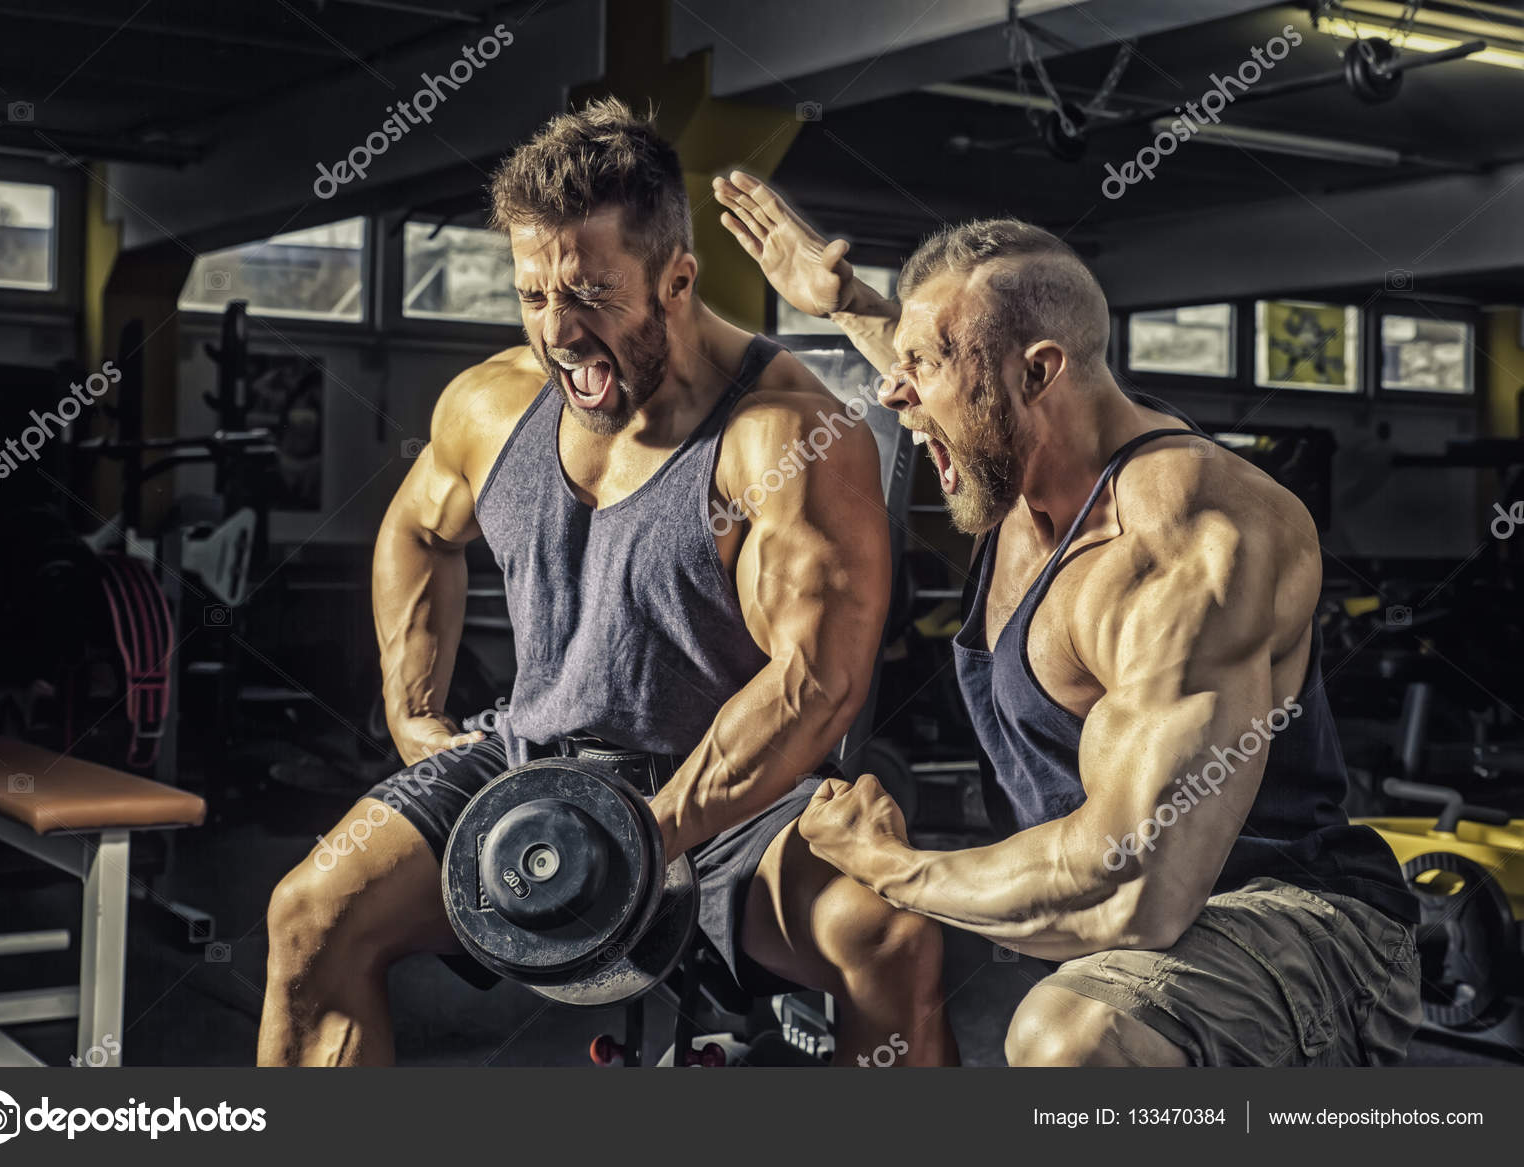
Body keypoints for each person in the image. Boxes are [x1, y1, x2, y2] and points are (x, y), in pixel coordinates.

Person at [257, 103, 957, 1067]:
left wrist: (631, 840)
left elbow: (814, 686)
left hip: (733, 801)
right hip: (529, 754)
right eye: (534, 295)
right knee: (311, 913)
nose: (558, 332)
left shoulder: (784, 436)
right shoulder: (491, 404)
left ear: (676, 278)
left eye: (589, 294)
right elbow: (419, 531)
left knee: (890, 941)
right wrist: (413, 713)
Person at [716, 169, 1421, 1067]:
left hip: (1299, 921)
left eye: (921, 368)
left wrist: (893, 867)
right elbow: (961, 367)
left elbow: (1137, 890)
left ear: (1039, 372)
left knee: (1069, 1039)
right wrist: (848, 302)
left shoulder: (1187, 539)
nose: (896, 391)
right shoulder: (1017, 454)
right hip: (1145, 930)